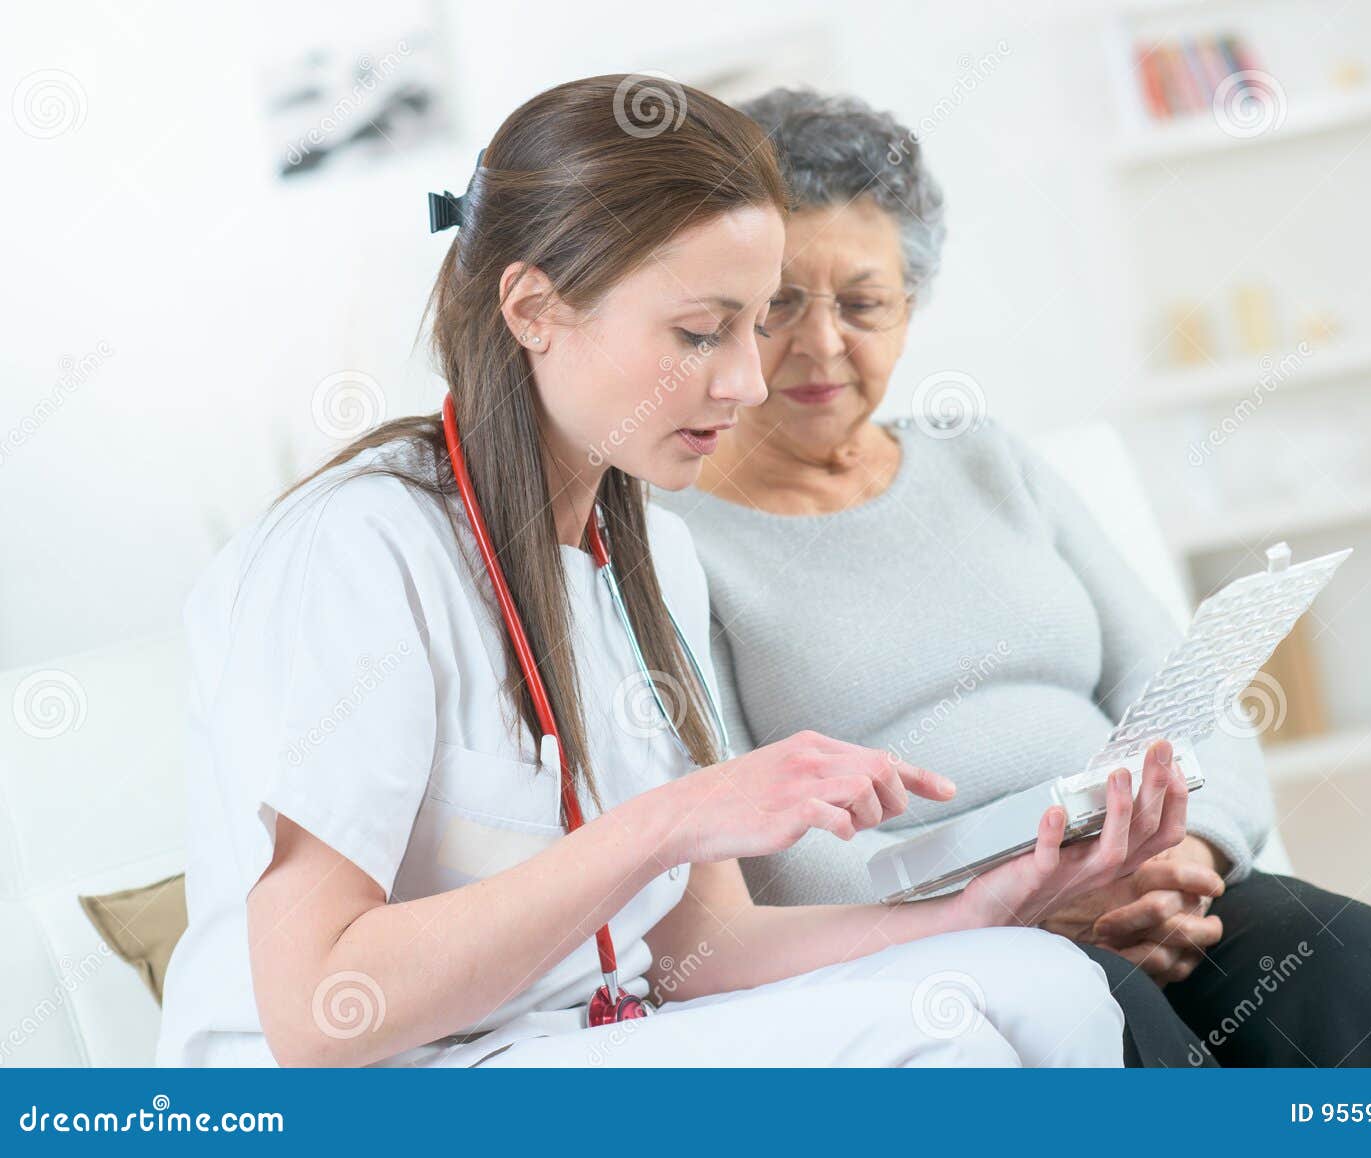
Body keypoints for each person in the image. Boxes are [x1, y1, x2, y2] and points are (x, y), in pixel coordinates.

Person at [155, 75, 1189, 1069]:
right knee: (938, 1042)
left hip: (593, 1041)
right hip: (386, 1085)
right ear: (532, 309)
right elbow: (319, 1014)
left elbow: (707, 956)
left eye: (754, 323)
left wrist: (983, 908)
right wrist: (669, 821)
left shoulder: (649, 556)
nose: (746, 380)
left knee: (1048, 984)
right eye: (701, 332)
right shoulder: (357, 549)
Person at [659, 89, 1371, 1068]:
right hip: (952, 936)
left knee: (1345, 957)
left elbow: (1183, 687)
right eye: (780, 305)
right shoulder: (675, 538)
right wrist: (1015, 908)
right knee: (1115, 1019)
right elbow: (756, 845)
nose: (822, 343)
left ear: (910, 308)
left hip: (1145, 874)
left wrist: (1184, 857)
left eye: (864, 303)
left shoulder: (987, 458)